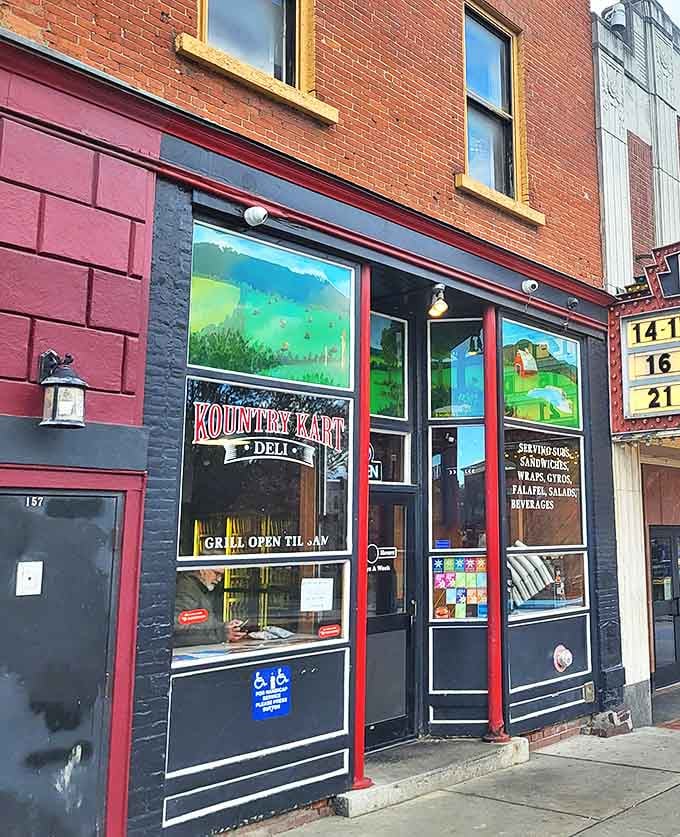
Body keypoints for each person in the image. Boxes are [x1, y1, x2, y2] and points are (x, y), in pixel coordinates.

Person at [173, 568, 247, 647]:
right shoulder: (186, 588)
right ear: (202, 570)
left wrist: (224, 626)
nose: (219, 579)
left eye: (221, 575)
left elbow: (202, 622)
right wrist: (221, 633)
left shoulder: (200, 588)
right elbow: (179, 627)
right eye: (216, 574)